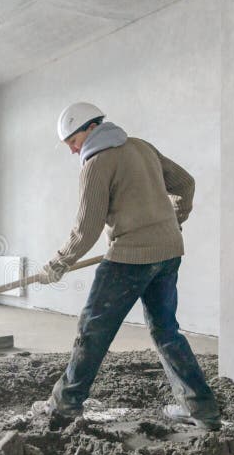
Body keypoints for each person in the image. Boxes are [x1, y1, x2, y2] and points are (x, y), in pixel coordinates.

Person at [34, 102, 221, 431]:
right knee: (167, 331)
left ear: (90, 128)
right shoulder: (141, 147)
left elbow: (86, 228)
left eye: (73, 142)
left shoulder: (96, 163)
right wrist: (175, 221)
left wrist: (57, 263)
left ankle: (64, 408)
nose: (72, 150)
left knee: (93, 331)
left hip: (130, 258)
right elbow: (186, 184)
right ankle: (202, 409)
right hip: (169, 253)